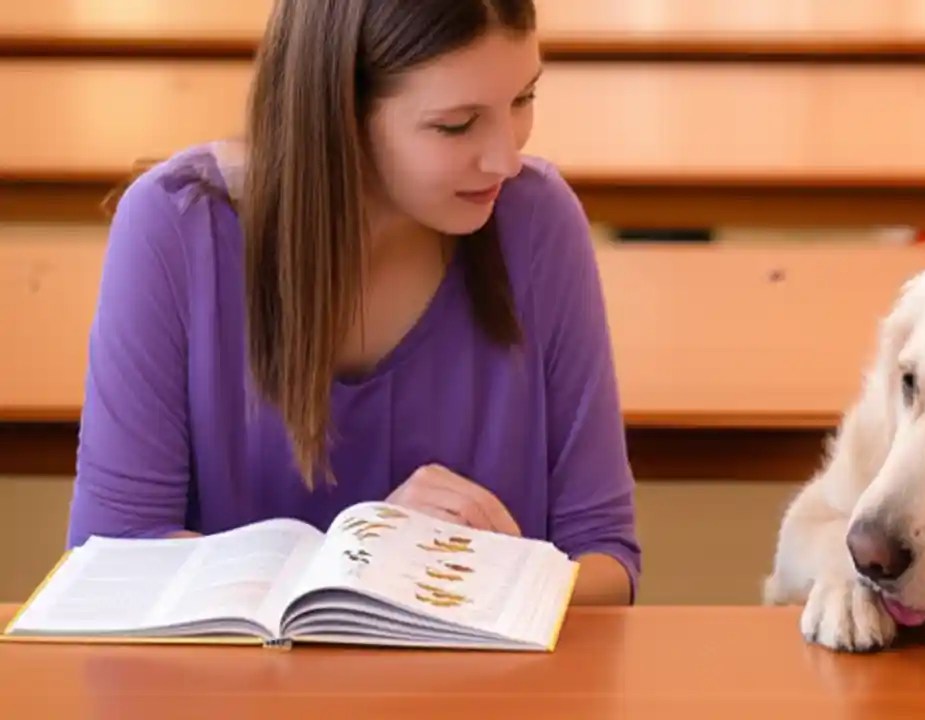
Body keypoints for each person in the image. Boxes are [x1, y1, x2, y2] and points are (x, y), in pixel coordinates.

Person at [65, 0, 641, 605]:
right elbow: (114, 558)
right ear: (337, 112)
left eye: (523, 99)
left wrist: (457, 578)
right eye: (456, 124)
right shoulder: (174, 230)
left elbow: (605, 559)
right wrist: (369, 558)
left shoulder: (537, 220)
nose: (507, 156)